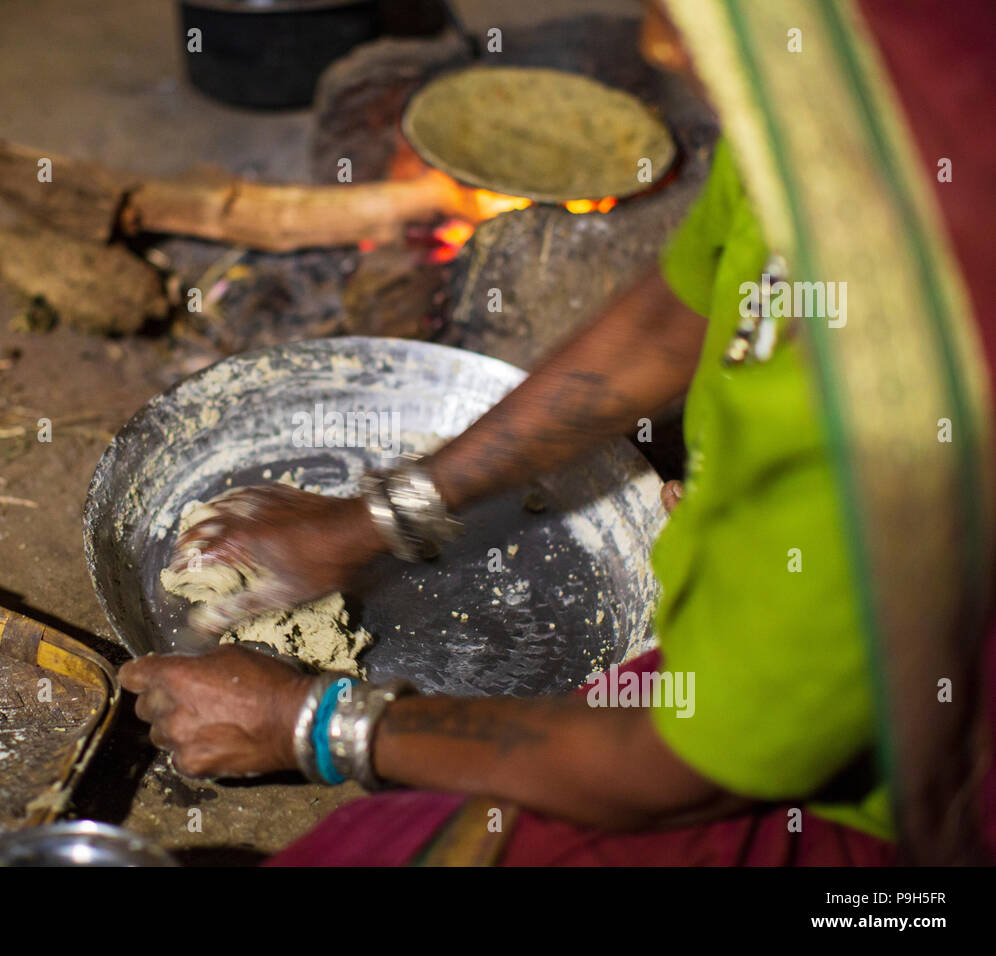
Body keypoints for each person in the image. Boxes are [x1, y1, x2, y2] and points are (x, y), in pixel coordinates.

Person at [120, 0, 996, 865]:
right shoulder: (843, 130)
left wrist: (309, 721)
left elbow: (675, 764)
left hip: (863, 799)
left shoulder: (889, 400)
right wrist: (370, 521)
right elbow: (669, 317)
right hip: (741, 696)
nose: (657, 43)